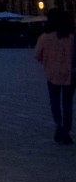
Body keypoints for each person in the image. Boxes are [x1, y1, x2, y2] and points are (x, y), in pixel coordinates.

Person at [33, 8, 73, 145]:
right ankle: (67, 131)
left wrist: (46, 59)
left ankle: (59, 124)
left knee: (54, 102)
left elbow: (37, 55)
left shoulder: (44, 37)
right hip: (69, 74)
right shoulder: (71, 37)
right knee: (67, 104)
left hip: (52, 73)